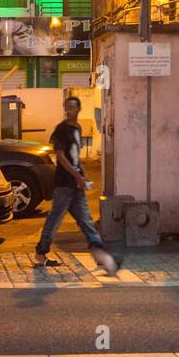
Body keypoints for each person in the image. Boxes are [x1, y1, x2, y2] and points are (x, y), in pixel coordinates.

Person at [34, 95, 117, 274]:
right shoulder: (61, 130)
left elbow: (74, 157)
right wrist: (77, 176)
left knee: (86, 220)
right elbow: (61, 157)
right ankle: (41, 254)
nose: (68, 110)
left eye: (72, 107)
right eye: (67, 107)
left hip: (76, 186)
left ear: (78, 109)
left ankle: (100, 254)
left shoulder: (77, 128)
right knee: (54, 220)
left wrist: (83, 174)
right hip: (63, 185)